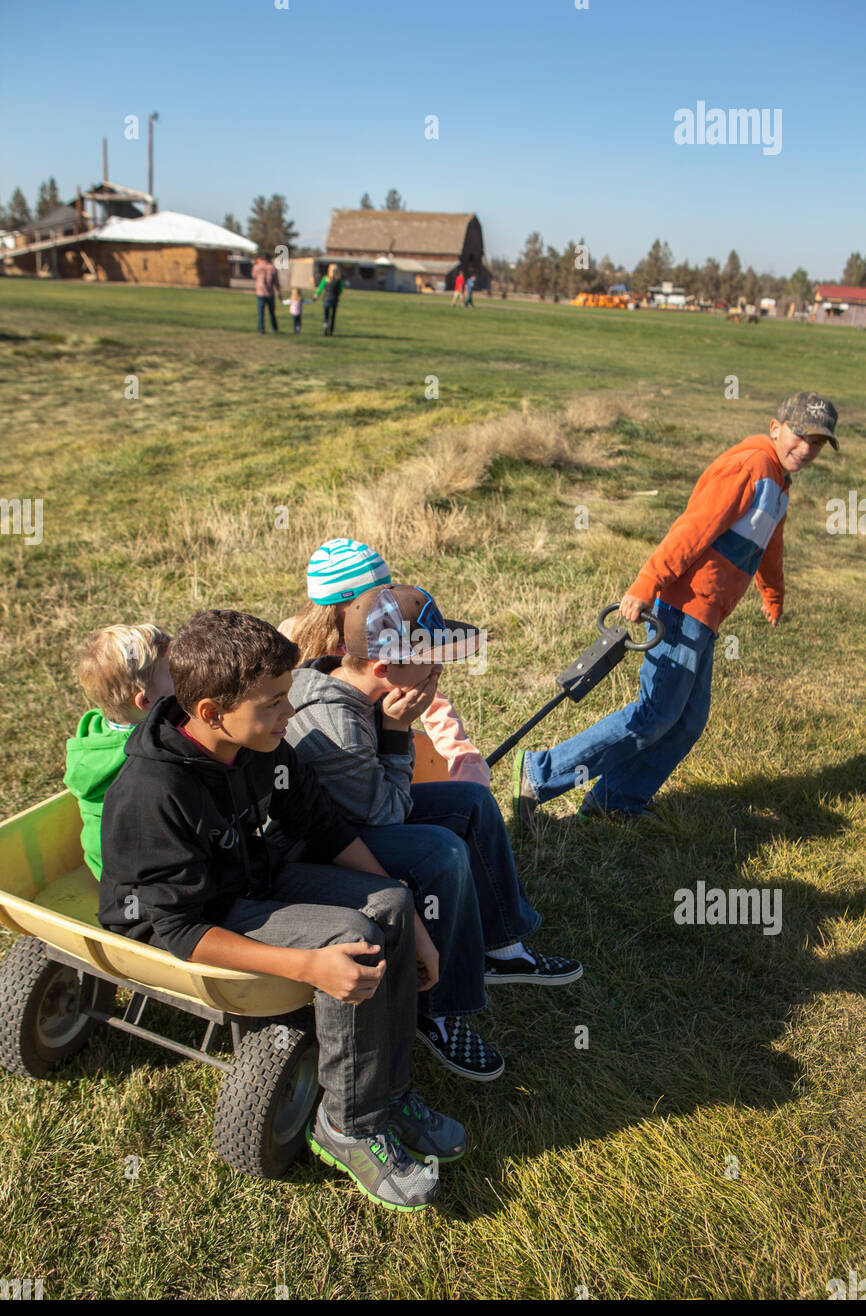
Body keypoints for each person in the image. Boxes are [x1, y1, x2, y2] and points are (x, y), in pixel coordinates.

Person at [98, 609, 465, 1212]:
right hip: (196, 917)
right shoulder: (155, 792)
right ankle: (348, 1123)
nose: (289, 713)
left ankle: (388, 1094)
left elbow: (322, 825)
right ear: (212, 713)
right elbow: (177, 928)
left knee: (392, 903)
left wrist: (415, 924)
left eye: (287, 696)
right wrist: (307, 967)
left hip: (253, 875)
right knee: (351, 936)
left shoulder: (260, 744)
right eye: (273, 702)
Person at [284, 583, 584, 1079]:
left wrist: (391, 726)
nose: (439, 670)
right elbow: (387, 816)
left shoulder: (356, 684)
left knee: (470, 801)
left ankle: (501, 947)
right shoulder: (335, 725)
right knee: (440, 852)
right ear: (384, 668)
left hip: (358, 818)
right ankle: (437, 1008)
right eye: (430, 658)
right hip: (315, 855)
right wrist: (398, 731)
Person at [513, 392, 841, 825]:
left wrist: (773, 595)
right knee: (655, 714)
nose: (806, 449)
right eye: (800, 436)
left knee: (685, 720)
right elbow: (692, 528)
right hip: (681, 608)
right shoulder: (751, 467)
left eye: (817, 443)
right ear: (776, 427)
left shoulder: (779, 484)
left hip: (706, 618)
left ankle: (615, 801)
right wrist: (648, 582)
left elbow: (770, 547)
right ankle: (541, 774)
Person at [280, 537, 490, 786]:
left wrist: (467, 767)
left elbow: (433, 706)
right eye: (372, 601)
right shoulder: (290, 639)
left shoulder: (386, 635)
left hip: (373, 757)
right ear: (336, 607)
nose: (383, 609)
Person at [63, 623, 173, 880]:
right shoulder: (155, 750)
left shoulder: (93, 729)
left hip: (103, 866)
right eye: (171, 672)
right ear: (146, 701)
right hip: (147, 875)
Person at [252, 252, 280, 334]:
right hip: (270, 293)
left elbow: (253, 276)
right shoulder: (272, 267)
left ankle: (261, 329)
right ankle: (274, 328)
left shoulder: (257, 267)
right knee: (272, 312)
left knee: (261, 312)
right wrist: (278, 292)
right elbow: (276, 281)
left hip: (260, 292)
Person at [315, 263, 343, 336]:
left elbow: (320, 287)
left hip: (326, 299)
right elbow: (340, 290)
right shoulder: (338, 280)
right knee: (333, 316)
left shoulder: (325, 278)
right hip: (334, 299)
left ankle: (326, 326)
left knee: (326, 315)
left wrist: (316, 295)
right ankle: (331, 330)